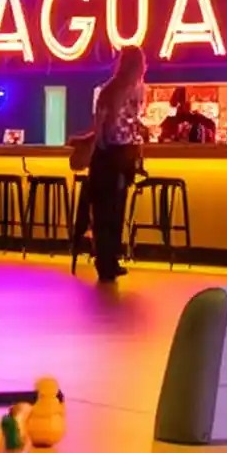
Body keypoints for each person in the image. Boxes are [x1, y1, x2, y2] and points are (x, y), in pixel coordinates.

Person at [88, 46, 147, 283]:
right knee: (114, 211)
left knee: (104, 212)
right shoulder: (132, 91)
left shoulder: (108, 89)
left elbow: (102, 127)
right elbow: (121, 128)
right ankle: (109, 261)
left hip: (105, 156)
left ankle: (105, 261)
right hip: (120, 155)